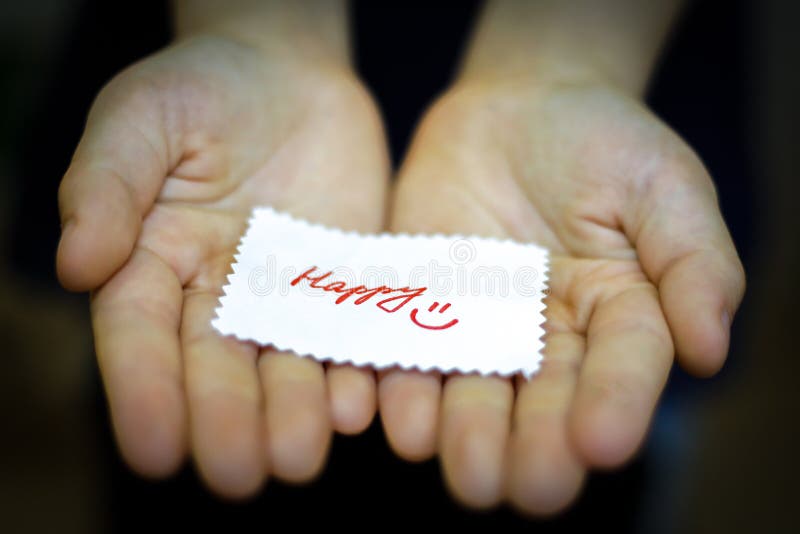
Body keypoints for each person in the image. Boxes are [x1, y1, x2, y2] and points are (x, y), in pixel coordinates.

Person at [55, 0, 745, 516]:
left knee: (590, 452)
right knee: (173, 451)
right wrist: (254, 30)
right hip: (224, 150)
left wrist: (567, 59)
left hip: (596, 132)